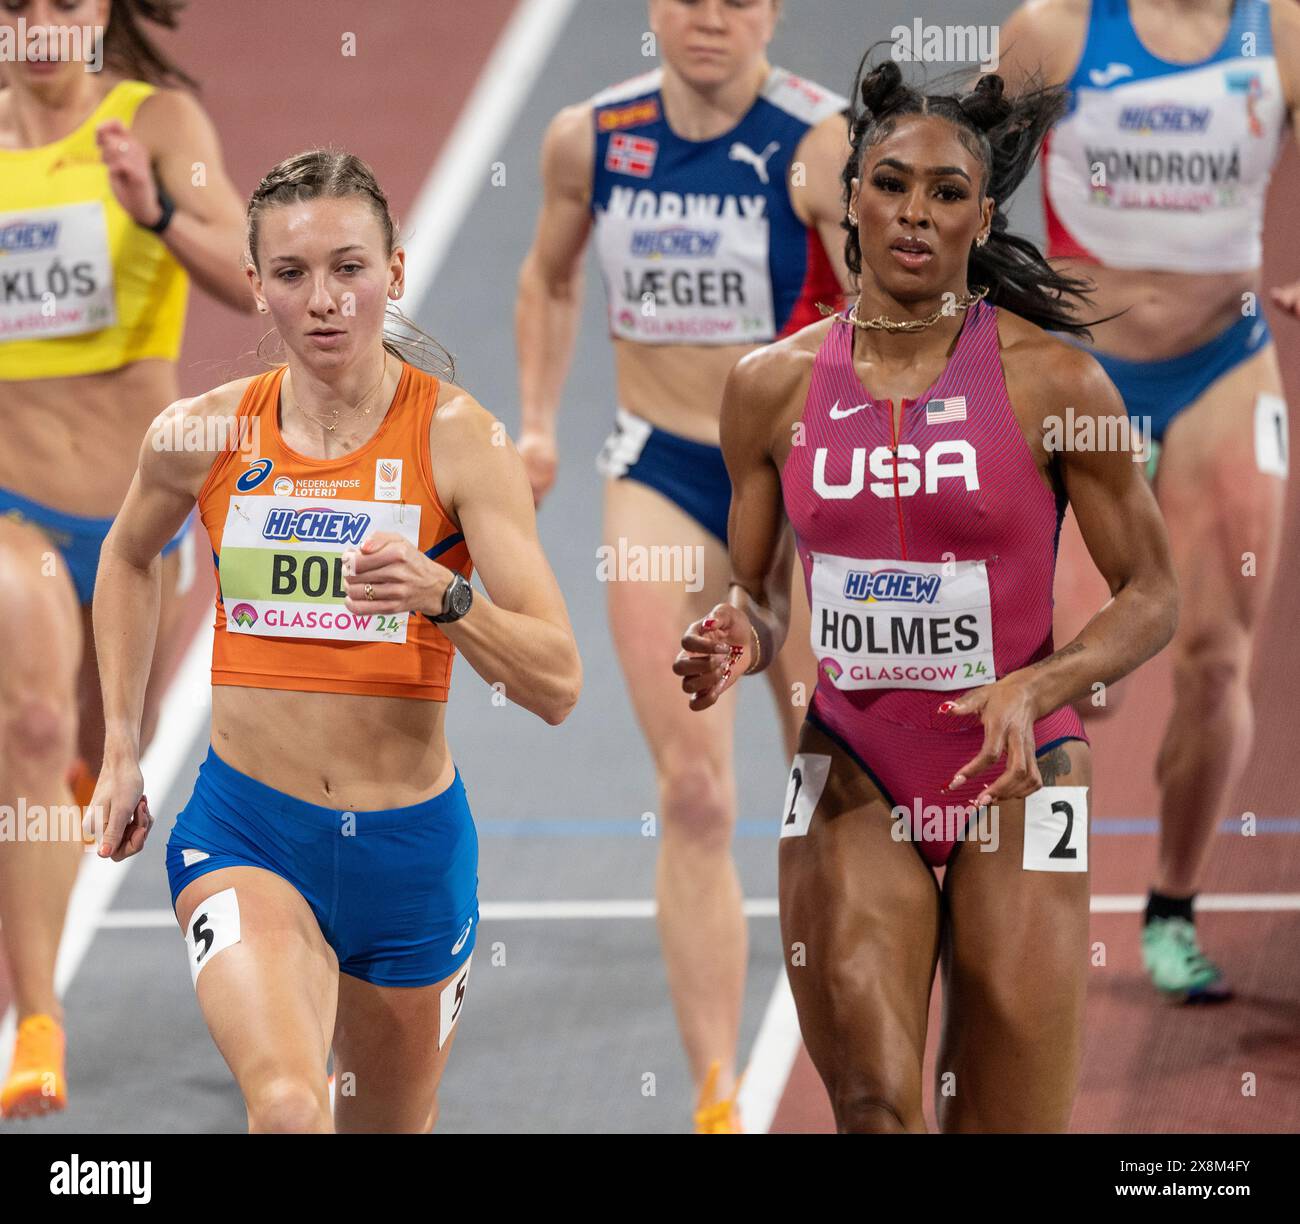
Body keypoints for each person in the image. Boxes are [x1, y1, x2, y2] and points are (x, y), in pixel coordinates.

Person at [674, 58, 1179, 1132]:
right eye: (890, 183)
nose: (914, 212)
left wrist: (1044, 683)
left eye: (945, 193)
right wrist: (739, 636)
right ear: (849, 196)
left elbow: (1153, 592)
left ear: (981, 214)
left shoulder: (1053, 382)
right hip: (855, 764)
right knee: (870, 1106)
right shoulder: (767, 388)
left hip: (1022, 772)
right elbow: (757, 595)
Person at [86, 150, 582, 1132]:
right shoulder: (203, 434)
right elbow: (127, 557)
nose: (323, 301)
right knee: (284, 1108)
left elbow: (558, 681)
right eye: (292, 274)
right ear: (254, 283)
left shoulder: (459, 442)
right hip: (247, 833)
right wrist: (119, 750)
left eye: (349, 269)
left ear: (394, 273)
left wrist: (447, 597)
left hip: (409, 852)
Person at [515, 0, 852, 1131]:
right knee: (697, 795)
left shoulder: (823, 144)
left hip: (801, 487)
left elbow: (890, 317)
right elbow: (551, 278)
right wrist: (537, 424)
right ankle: (715, 1092)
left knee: (827, 786)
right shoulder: (591, 137)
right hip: (658, 473)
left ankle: (857, 1032)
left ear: (773, 11)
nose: (709, 19)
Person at [995, 0, 1299, 1002]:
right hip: (1084, 380)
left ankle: (1171, 909)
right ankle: (1028, 903)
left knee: (1216, 664)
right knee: (1079, 678)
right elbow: (968, 188)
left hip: (1223, 370)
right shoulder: (1054, 30)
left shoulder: (1282, 29)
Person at [0, 0, 250, 1117]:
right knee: (37, 722)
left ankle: (56, 803)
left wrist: (153, 217)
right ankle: (38, 1019)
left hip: (141, 518)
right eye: (17, 6)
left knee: (110, 765)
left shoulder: (158, 121)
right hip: (15, 505)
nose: (43, 25)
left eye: (65, 3)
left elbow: (254, 283)